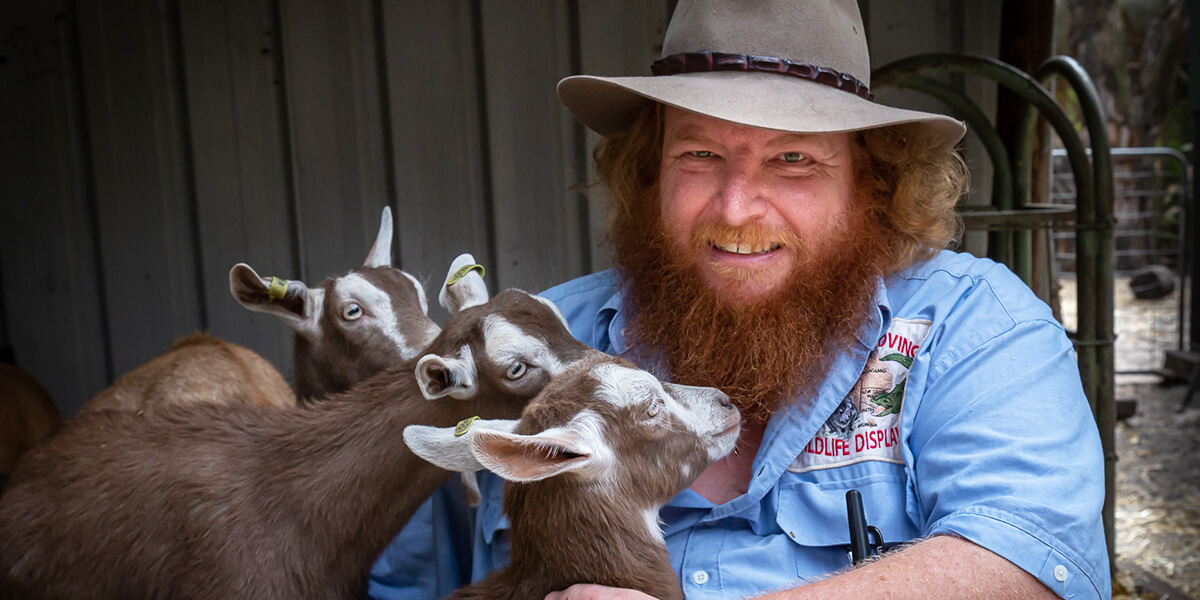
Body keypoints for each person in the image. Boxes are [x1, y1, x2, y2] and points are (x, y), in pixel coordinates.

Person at [369, 1, 1110, 598]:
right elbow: (396, 578)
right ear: (649, 172)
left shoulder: (973, 328)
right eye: (700, 154)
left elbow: (1024, 564)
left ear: (870, 182)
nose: (735, 207)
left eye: (793, 159)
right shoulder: (524, 354)